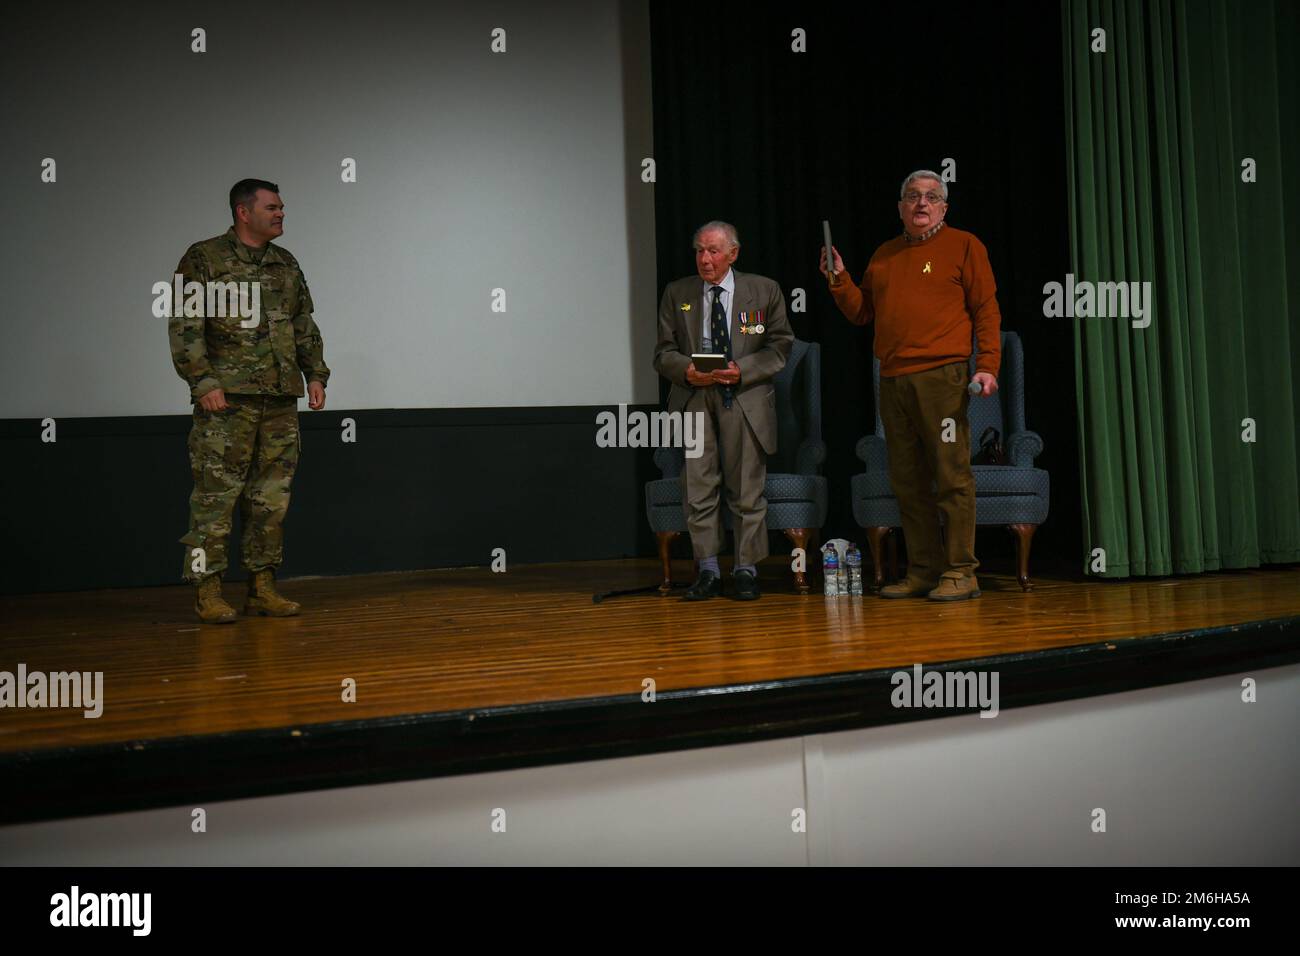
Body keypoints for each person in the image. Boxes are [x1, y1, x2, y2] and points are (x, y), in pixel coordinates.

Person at [822, 170, 1001, 601]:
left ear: (943, 207)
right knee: (907, 479)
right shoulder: (884, 254)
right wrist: (839, 279)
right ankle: (924, 570)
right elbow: (863, 313)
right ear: (900, 206)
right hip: (893, 380)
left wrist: (988, 365)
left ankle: (961, 571)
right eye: (913, 196)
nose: (921, 203)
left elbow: (987, 309)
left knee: (950, 475)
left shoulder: (965, 245)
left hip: (943, 377)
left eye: (931, 197)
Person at [169, 179, 330, 623]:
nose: (281, 214)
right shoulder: (205, 259)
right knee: (214, 500)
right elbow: (185, 324)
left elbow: (303, 323)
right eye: (272, 207)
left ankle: (262, 587)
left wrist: (315, 373)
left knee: (270, 499)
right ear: (244, 212)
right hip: (227, 402)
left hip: (279, 399)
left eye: (282, 208)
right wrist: (203, 382)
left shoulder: (286, 263)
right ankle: (208, 590)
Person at [654, 221, 793, 600]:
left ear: (733, 254)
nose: (705, 258)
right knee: (698, 487)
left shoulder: (764, 291)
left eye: (713, 251)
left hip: (743, 397)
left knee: (747, 488)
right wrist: (685, 371)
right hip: (695, 398)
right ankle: (709, 571)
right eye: (699, 250)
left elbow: (780, 346)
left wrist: (742, 370)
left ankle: (746, 570)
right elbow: (662, 352)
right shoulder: (677, 292)